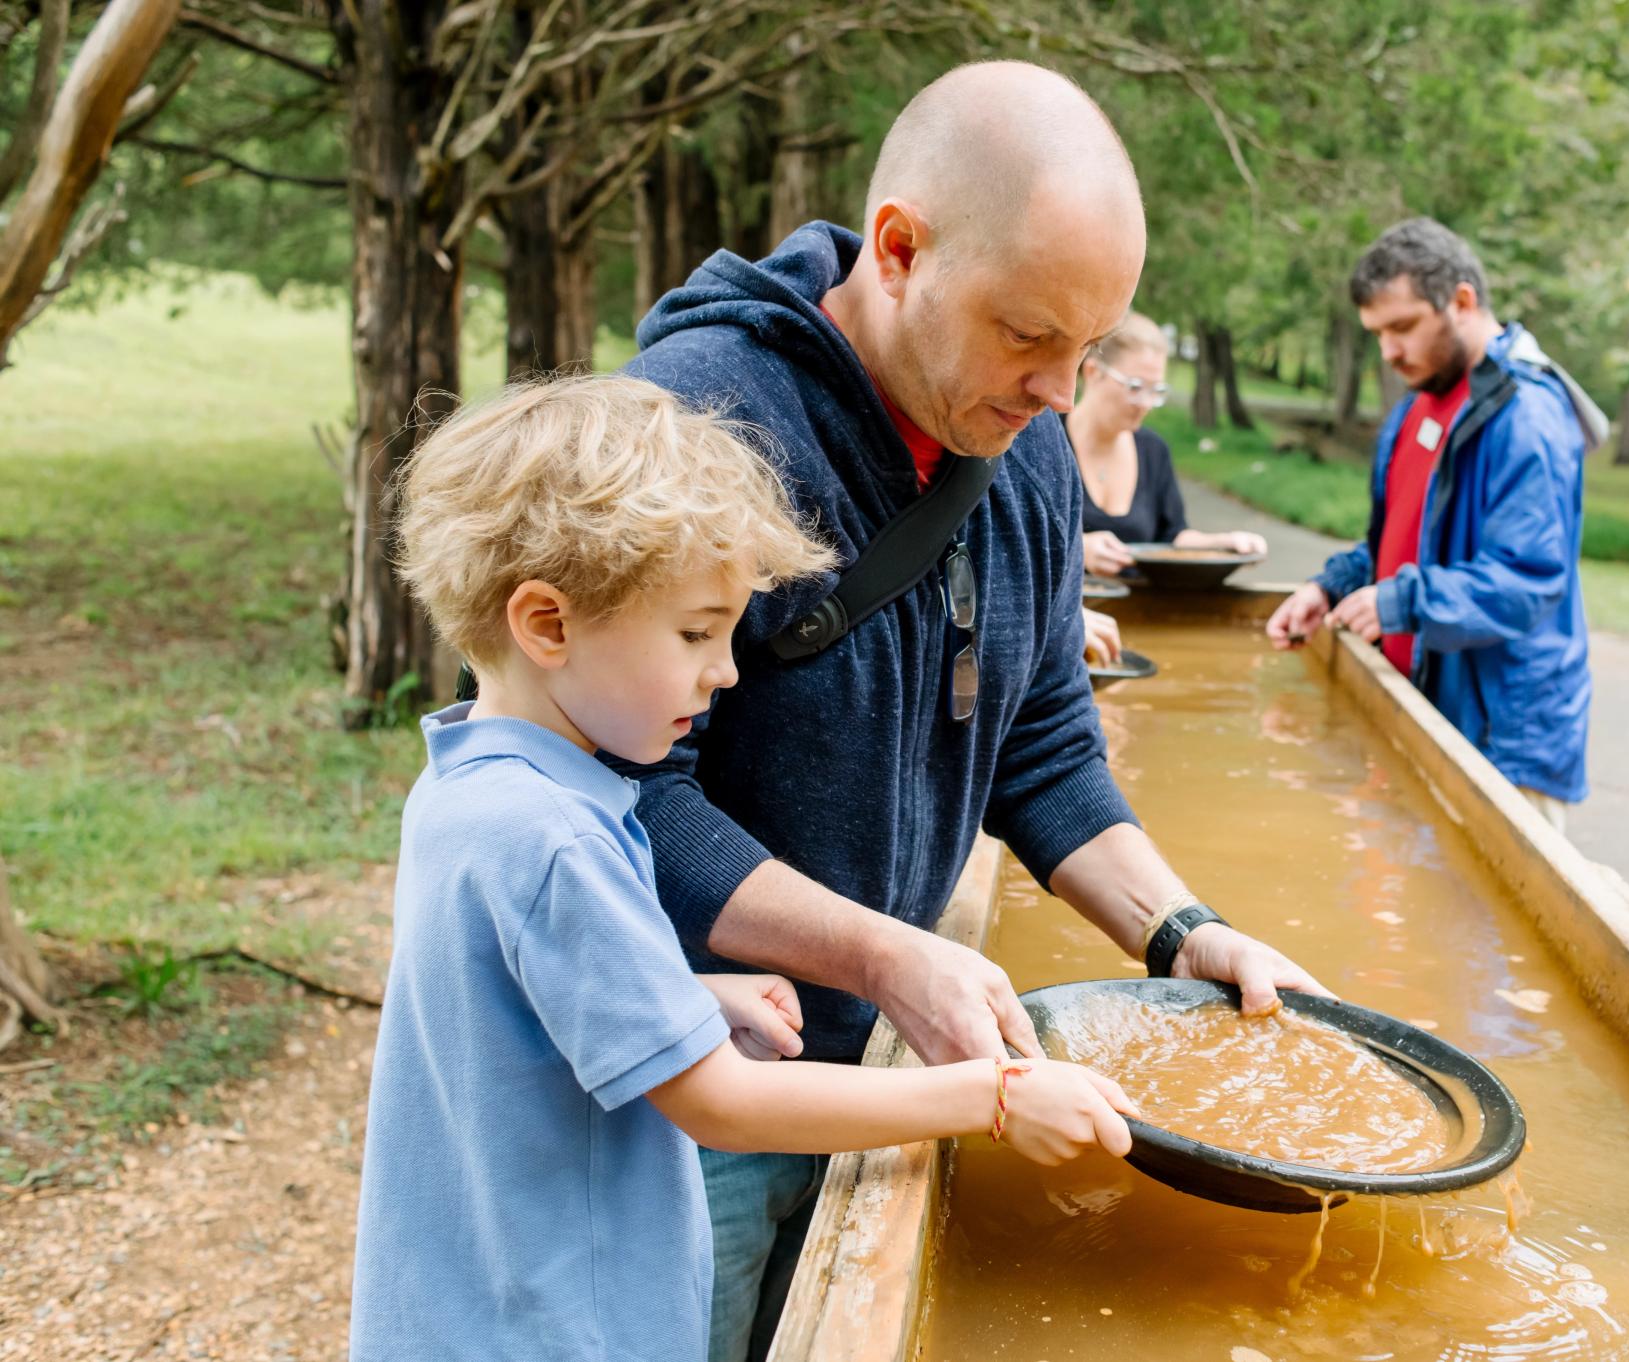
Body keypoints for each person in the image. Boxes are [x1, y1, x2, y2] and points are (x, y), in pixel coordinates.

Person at [620, 62, 1329, 1362]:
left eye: (1088, 349)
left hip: (886, 1063)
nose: (1060, 391)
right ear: (898, 249)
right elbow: (620, 796)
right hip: (686, 1082)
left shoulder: (1030, 448)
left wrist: (1182, 932)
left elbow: (1043, 736)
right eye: (1028, 335)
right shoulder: (698, 420)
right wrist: (890, 954)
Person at [348, 375, 1138, 1362]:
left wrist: (676, 997)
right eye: (694, 634)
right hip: (563, 1330)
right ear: (546, 625)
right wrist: (997, 1094)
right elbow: (724, 1103)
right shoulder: (555, 839)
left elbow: (515, 998)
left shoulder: (477, 783)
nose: (725, 673)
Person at [1266, 218, 1604, 829]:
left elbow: (1527, 581)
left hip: (1502, 747)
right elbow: (1396, 545)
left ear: (1463, 301)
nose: (1390, 352)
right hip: (1420, 713)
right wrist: (1329, 588)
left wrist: (1399, 604)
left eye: (1402, 327)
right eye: (1377, 334)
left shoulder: (1527, 417)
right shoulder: (1414, 410)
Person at [1065, 311, 1268, 578]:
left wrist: (1224, 543)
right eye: (1135, 387)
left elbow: (1172, 537)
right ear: (1092, 372)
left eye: (1156, 391)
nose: (1147, 404)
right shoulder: (1045, 442)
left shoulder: (1153, 450)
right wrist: (1078, 550)